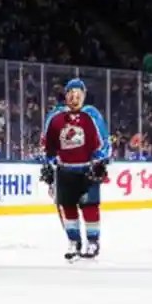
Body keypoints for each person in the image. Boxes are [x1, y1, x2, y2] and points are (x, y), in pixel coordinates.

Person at [40, 79, 110, 260]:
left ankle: (92, 242)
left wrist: (100, 162)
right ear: (66, 95)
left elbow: (103, 141)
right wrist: (48, 164)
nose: (74, 96)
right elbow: (48, 145)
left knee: (90, 206)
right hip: (65, 170)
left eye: (78, 92)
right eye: (71, 92)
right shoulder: (56, 117)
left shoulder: (91, 115)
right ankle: (73, 241)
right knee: (68, 207)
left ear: (84, 95)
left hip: (87, 169)